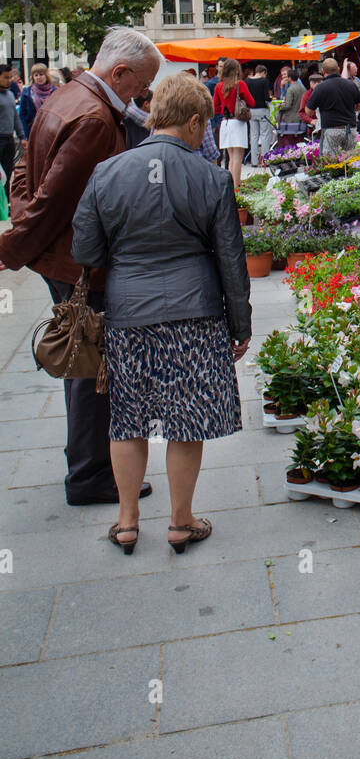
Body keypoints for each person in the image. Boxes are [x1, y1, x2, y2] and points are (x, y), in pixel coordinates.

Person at [71, 72, 251, 554]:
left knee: (127, 419)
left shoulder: (108, 173)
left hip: (128, 314)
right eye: (204, 126)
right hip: (194, 314)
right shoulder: (212, 178)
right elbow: (232, 260)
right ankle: (180, 521)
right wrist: (240, 324)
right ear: (193, 122)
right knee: (186, 420)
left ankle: (127, 522)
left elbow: (84, 247)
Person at [0, 26, 162, 505]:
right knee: (92, 364)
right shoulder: (94, 117)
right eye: (141, 84)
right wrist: (12, 249)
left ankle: (87, 463)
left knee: (83, 358)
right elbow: (55, 200)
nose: (142, 95)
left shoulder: (70, 95)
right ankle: (91, 474)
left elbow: (26, 171)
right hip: (79, 264)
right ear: (120, 72)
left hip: (66, 259)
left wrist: (23, 225)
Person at [303, 57, 360, 159]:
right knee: (350, 161)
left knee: (330, 162)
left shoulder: (320, 88)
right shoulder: (350, 84)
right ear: (338, 69)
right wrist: (353, 109)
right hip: (350, 129)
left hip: (331, 130)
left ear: (323, 71)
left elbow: (308, 111)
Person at [212, 59, 255, 190]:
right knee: (238, 157)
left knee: (230, 157)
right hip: (238, 123)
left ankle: (230, 186)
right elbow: (251, 102)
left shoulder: (219, 86)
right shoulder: (240, 84)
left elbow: (215, 107)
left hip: (225, 123)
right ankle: (236, 187)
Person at [0, 65, 25, 202]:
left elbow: (15, 117)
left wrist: (22, 136)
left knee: (8, 172)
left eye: (10, 77)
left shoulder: (10, 94)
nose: (9, 80)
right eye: (5, 77)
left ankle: (6, 201)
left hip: (9, 138)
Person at [18, 62, 57, 139]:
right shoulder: (27, 92)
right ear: (33, 77)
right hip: (33, 131)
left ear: (46, 75)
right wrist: (26, 134)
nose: (39, 77)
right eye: (36, 75)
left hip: (51, 131)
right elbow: (22, 114)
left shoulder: (54, 91)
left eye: (41, 74)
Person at [247, 64, 274, 164]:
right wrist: (271, 98)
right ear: (263, 72)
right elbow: (266, 97)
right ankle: (265, 161)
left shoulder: (247, 81)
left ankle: (254, 161)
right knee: (264, 135)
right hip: (262, 110)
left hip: (251, 110)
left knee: (253, 136)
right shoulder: (264, 81)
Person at [277, 65, 306, 140]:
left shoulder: (291, 88)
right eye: (282, 75)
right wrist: (282, 87)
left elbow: (288, 104)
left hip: (292, 117)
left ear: (289, 77)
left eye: (285, 74)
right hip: (300, 115)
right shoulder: (302, 88)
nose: (283, 76)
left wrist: (280, 108)